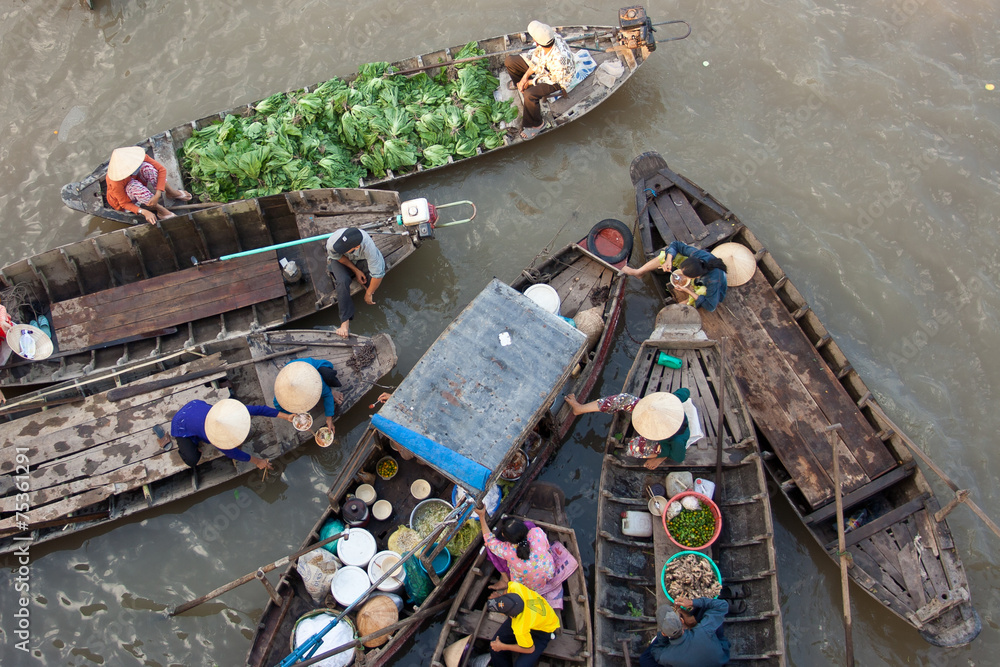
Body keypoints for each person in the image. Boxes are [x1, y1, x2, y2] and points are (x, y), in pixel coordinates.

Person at [565, 389, 692, 469]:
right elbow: (685, 392)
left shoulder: (677, 440)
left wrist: (661, 457)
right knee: (623, 399)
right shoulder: (671, 403)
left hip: (664, 445)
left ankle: (658, 454)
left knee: (634, 448)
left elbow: (679, 457)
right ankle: (580, 408)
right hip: (650, 408)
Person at [170, 397, 294, 470]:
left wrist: (287, 417)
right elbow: (233, 453)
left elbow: (260, 409)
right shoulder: (216, 437)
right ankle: (192, 442)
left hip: (195, 405)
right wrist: (258, 461)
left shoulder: (235, 412)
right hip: (180, 424)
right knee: (192, 460)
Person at [504, 20, 575, 139]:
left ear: (536, 42)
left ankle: (537, 124)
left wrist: (531, 82)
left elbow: (552, 79)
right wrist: (523, 79)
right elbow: (537, 59)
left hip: (558, 78)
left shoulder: (560, 60)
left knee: (530, 94)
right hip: (546, 67)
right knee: (510, 61)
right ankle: (519, 84)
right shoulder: (550, 39)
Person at [623, 241, 729, 312]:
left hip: (709, 288)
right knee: (669, 255)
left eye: (685, 275)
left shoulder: (713, 281)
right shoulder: (698, 255)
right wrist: (669, 260)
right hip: (699, 275)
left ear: (695, 277)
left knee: (701, 292)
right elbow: (676, 244)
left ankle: (679, 307)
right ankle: (638, 272)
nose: (680, 275)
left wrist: (688, 291)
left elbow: (711, 307)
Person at [474, 506, 554, 592]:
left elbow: (489, 540)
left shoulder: (508, 551)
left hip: (529, 586)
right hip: (549, 573)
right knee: (529, 523)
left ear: (508, 540)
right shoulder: (537, 532)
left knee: (490, 548)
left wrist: (481, 516)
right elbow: (547, 547)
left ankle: (505, 580)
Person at [105, 146, 192, 224]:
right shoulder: (115, 181)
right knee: (133, 186)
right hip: (127, 198)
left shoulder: (138, 158)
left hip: (138, 183)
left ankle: (171, 192)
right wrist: (143, 211)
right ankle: (160, 209)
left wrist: (158, 194)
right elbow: (124, 203)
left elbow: (161, 170)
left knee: (148, 168)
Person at [325, 227, 386, 338]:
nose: (341, 248)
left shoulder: (369, 248)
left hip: (361, 258)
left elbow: (378, 275)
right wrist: (356, 270)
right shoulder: (333, 243)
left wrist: (369, 293)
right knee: (342, 281)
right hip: (342, 260)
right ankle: (345, 322)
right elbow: (338, 256)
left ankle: (366, 289)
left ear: (356, 247)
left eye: (344, 248)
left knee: (374, 280)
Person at [487, 583, 561, 667]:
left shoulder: (519, 627)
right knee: (494, 647)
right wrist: (499, 598)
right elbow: (506, 591)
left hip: (543, 631)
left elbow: (530, 649)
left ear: (510, 615)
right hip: (534, 618)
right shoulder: (516, 587)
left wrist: (503, 646)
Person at [640, 599, 731, 667]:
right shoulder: (703, 630)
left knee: (644, 660)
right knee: (706, 611)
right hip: (721, 661)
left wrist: (662, 637)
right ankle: (693, 619)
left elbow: (656, 650)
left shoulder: (667, 656)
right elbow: (722, 605)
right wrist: (692, 602)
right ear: (682, 621)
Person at [273, 358, 344, 433]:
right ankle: (328, 389)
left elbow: (327, 396)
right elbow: (278, 407)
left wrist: (329, 419)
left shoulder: (315, 382)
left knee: (328, 376)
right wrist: (295, 417)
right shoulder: (281, 393)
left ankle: (330, 390)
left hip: (316, 368)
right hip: (292, 373)